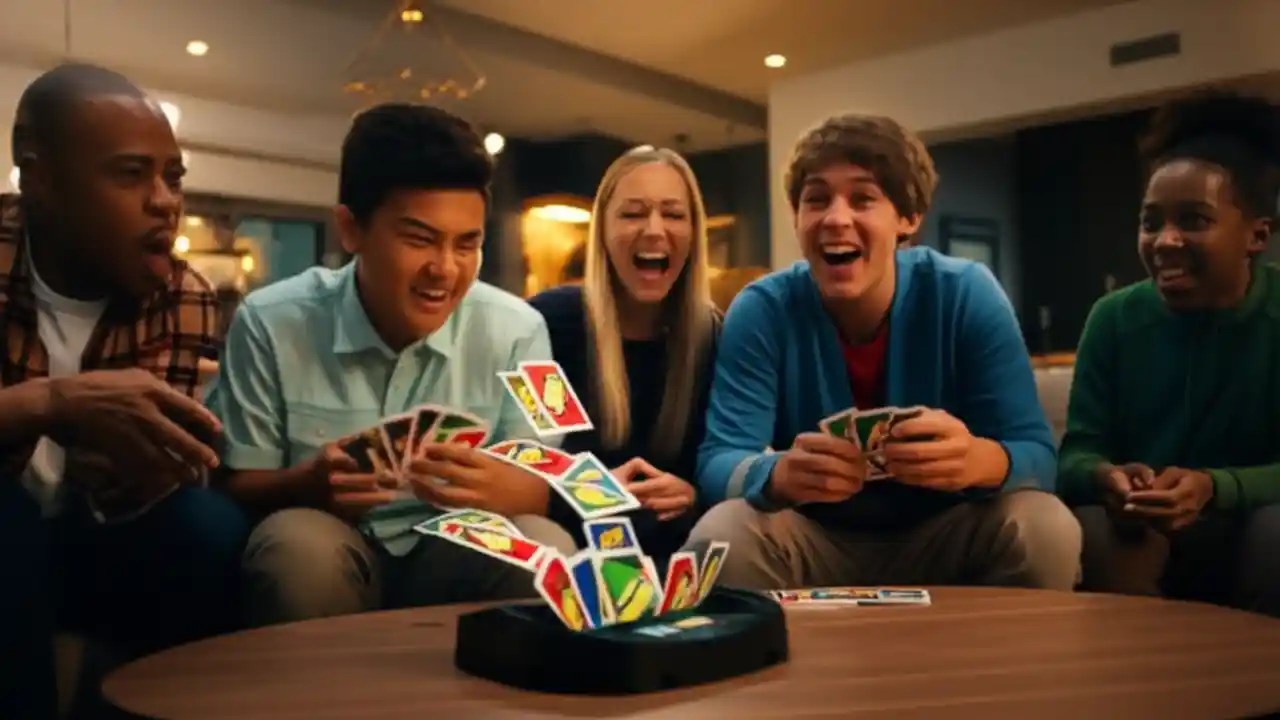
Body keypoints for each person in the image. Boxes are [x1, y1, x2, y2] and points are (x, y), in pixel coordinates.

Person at [208, 103, 575, 627]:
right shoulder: (270, 321)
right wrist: (307, 485)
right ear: (350, 230)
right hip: (327, 541)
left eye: (466, 244)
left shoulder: (520, 329)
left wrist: (502, 486)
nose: (444, 270)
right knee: (297, 548)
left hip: (456, 545)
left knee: (545, 545)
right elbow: (236, 484)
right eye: (419, 239)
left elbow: (544, 485)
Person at [685, 114, 1080, 591]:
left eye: (863, 198)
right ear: (797, 217)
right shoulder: (763, 308)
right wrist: (778, 474)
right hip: (813, 539)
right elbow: (718, 462)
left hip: (948, 535)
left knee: (1044, 526)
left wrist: (979, 460)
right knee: (720, 535)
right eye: (816, 199)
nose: (835, 217)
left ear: (907, 218)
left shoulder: (966, 293)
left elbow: (1038, 456)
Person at [0, 63, 247, 718]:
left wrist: (152, 465)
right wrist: (55, 402)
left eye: (173, 178)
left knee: (208, 525)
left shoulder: (184, 294)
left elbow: (145, 478)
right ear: (40, 180)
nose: (166, 201)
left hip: (96, 536)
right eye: (132, 174)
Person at [1059, 91, 1280, 616]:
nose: (1165, 240)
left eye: (1194, 220)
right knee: (1091, 526)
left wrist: (1214, 487)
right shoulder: (1112, 318)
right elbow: (1073, 456)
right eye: (1151, 221)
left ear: (1257, 236)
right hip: (1142, 531)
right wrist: (1104, 477)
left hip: (1253, 525)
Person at [529, 147, 720, 562]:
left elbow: (718, 459)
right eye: (633, 213)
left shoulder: (713, 336)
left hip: (675, 548)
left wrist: (693, 493)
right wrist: (593, 488)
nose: (654, 230)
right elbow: (525, 459)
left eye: (673, 214)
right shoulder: (546, 324)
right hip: (574, 539)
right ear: (602, 231)